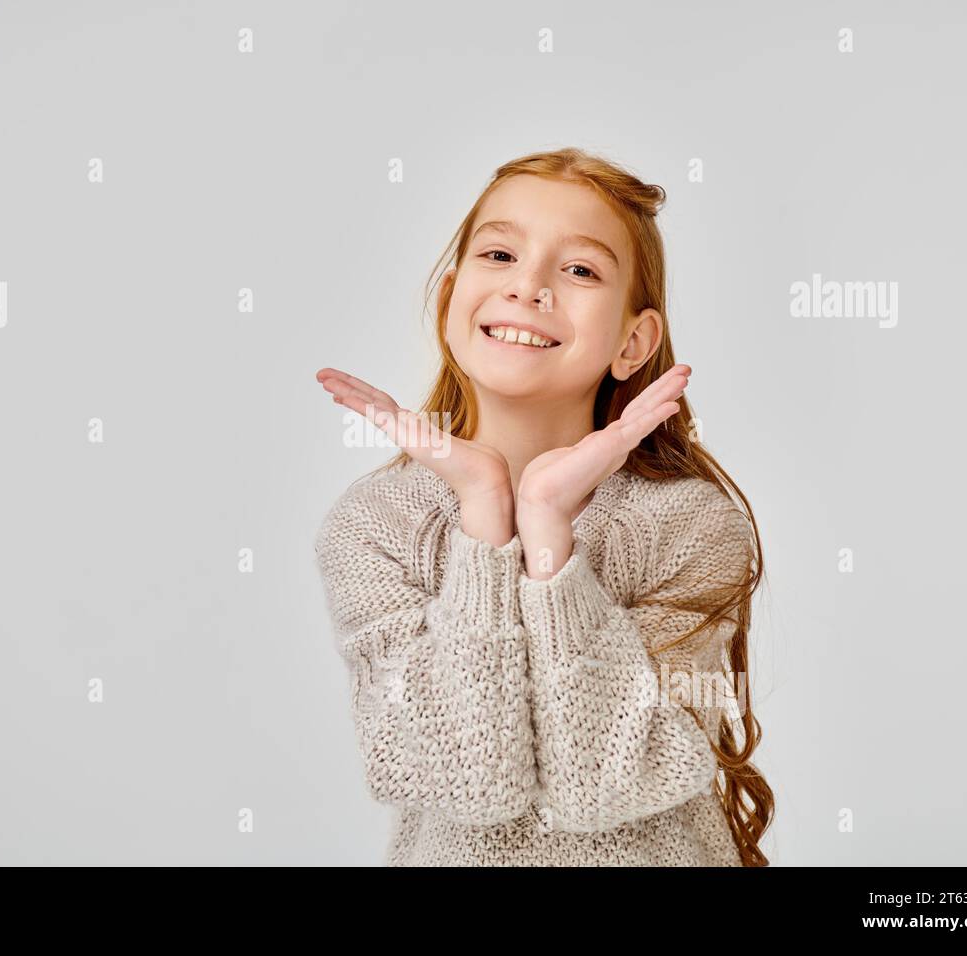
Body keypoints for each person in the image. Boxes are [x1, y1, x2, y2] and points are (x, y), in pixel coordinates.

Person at [313, 147, 772, 866]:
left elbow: (605, 783)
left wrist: (550, 537)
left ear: (632, 343)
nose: (528, 287)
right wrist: (485, 519)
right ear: (450, 301)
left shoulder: (689, 526)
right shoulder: (376, 524)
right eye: (499, 253)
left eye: (580, 269)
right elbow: (462, 780)